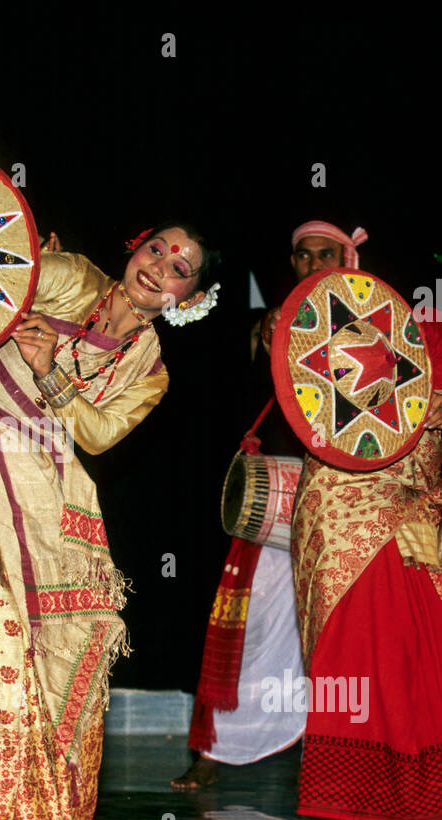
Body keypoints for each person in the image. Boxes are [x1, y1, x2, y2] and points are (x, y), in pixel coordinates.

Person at [0, 223, 220, 820]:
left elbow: (95, 435)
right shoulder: (68, 276)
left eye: (181, 267)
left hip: (47, 487)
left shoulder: (149, 370)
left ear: (188, 295)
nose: (160, 267)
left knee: (70, 645)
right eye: (156, 249)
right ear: (134, 248)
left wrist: (50, 375)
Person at [291, 245, 442, 820]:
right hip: (351, 483)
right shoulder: (424, 330)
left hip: (414, 507)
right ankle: (353, 808)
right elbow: (351, 358)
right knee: (362, 642)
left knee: (429, 651)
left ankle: (404, 798)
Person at [175, 219, 363, 789]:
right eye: (301, 256)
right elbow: (236, 384)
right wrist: (269, 334)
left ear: (348, 259)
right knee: (250, 624)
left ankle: (333, 755)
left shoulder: (375, 328)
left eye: (324, 254)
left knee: (337, 634)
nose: (311, 266)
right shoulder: (274, 321)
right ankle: (215, 752)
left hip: (348, 498)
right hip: (282, 495)